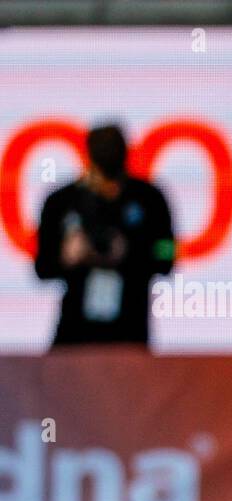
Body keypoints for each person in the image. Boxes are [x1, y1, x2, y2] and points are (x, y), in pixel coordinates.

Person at [34, 124, 175, 348]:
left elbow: (167, 254)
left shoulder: (150, 199)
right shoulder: (62, 202)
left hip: (130, 329)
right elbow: (42, 267)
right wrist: (67, 257)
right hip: (76, 331)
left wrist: (130, 253)